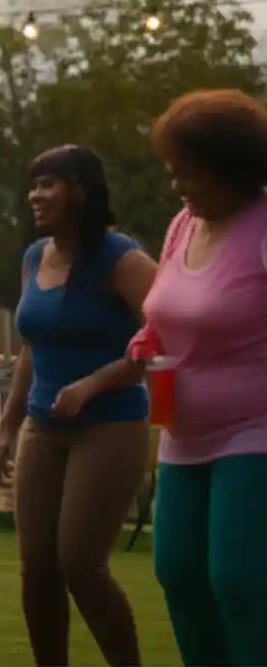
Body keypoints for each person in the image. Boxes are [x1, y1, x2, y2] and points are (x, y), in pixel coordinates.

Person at [0, 145, 156, 667]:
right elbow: (32, 346)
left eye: (49, 184)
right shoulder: (36, 256)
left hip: (109, 426)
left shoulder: (121, 258)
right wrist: (6, 428)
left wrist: (94, 384)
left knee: (80, 563)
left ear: (80, 191)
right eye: (33, 185)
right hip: (43, 425)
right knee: (37, 565)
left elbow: (165, 337)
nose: (35, 195)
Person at [136, 89, 267, 666]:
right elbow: (162, 312)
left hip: (254, 430)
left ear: (232, 169)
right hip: (180, 431)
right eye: (174, 174)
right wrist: (146, 344)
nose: (179, 187)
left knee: (238, 581)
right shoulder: (181, 227)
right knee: (180, 576)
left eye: (189, 174)